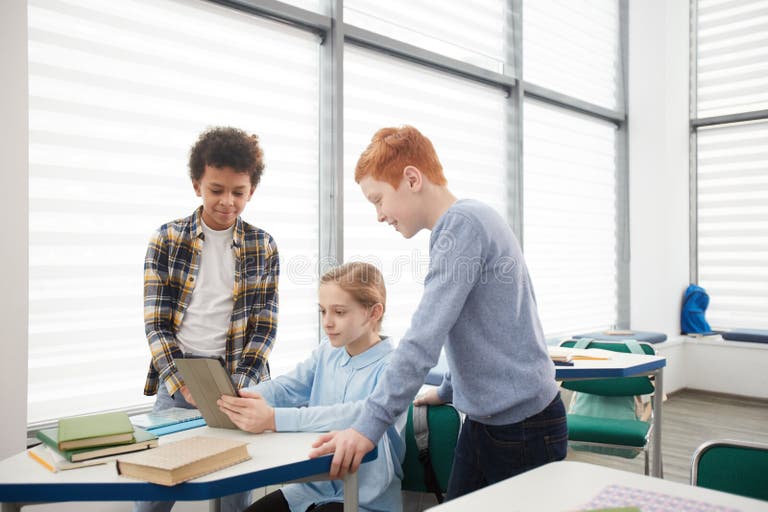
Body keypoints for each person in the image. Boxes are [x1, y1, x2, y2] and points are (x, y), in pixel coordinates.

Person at [308, 125, 567, 500]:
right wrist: (448, 389)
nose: (379, 215)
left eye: (378, 199)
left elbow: (424, 335)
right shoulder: (465, 223)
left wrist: (368, 427)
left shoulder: (462, 226)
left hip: (522, 430)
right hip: (486, 423)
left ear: (411, 178)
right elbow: (484, 326)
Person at [137, 126, 279, 512]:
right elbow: (156, 323)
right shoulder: (166, 239)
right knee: (153, 493)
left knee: (236, 496)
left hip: (238, 385)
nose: (227, 202)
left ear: (251, 190)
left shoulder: (262, 245)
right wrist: (183, 385)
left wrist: (238, 385)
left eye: (239, 192)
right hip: (178, 382)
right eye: (216, 190)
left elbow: (265, 326)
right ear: (197, 184)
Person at [217, 262, 405, 512]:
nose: (327, 322)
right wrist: (239, 398)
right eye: (323, 311)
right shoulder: (327, 353)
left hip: (364, 500)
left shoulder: (395, 367)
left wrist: (273, 419)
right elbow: (287, 388)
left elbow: (357, 414)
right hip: (311, 490)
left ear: (374, 313)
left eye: (339, 312)